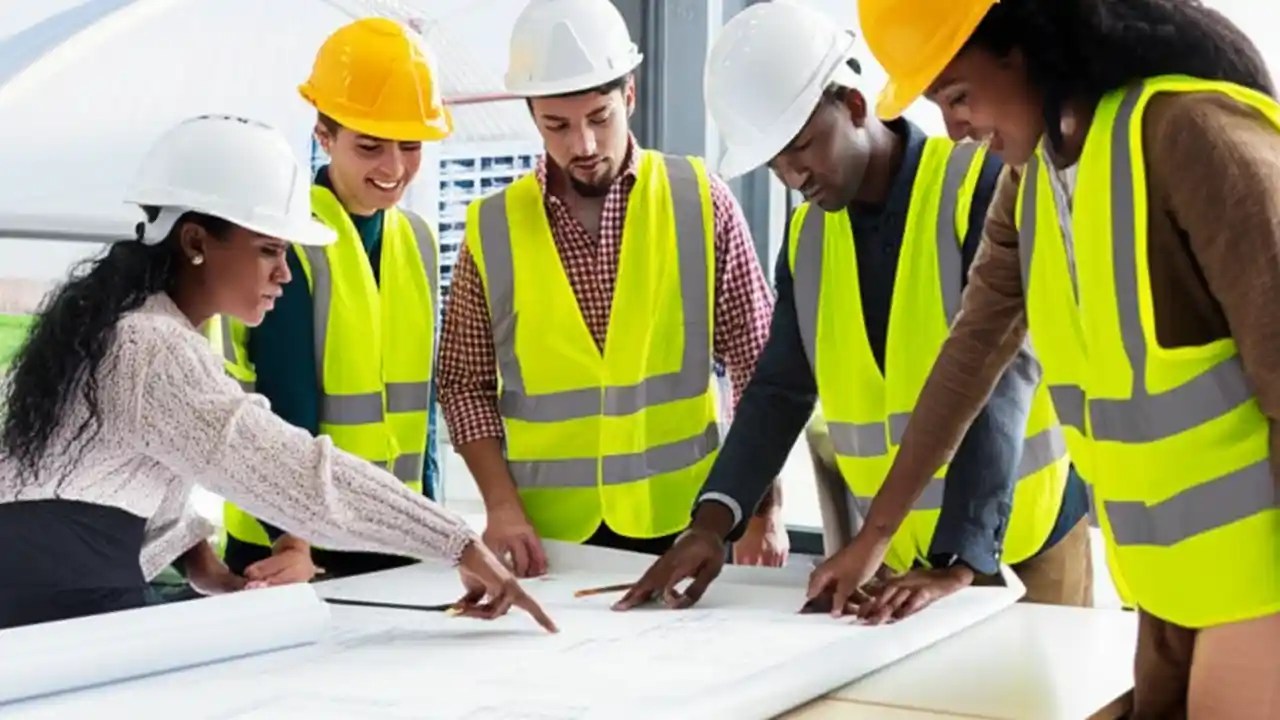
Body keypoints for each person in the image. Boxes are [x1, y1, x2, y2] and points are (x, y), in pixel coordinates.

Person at [815, 0, 1280, 716]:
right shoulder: (1033, 181)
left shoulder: (1187, 134)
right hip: (1164, 586)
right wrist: (874, 536)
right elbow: (971, 351)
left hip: (1259, 580)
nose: (954, 130)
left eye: (959, 96)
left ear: (1024, 47)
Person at [614, 0, 1091, 618]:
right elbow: (778, 391)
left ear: (856, 106)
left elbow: (1000, 372)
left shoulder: (979, 182)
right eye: (775, 162)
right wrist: (712, 523)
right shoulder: (809, 240)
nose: (793, 177)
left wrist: (956, 561)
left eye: (803, 147)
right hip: (900, 556)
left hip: (1022, 542)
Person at [0, 114, 554, 633]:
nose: (285, 274)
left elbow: (127, 475)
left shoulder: (129, 327)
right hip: (55, 615)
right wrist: (456, 540)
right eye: (269, 250)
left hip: (51, 606)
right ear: (195, 242)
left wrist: (204, 566)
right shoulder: (151, 347)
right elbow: (296, 474)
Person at [437, 0, 778, 577]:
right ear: (532, 115)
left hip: (689, 526)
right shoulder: (492, 228)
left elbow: (759, 368)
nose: (585, 145)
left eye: (600, 117)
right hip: (546, 540)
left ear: (631, 96)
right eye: (558, 126)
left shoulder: (701, 200)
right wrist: (501, 506)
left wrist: (763, 511)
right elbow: (462, 383)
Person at [210, 17, 450, 584]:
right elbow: (281, 407)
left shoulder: (416, 239)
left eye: (410, 146)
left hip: (392, 538)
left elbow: (424, 420)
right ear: (324, 136)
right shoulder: (290, 242)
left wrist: (436, 527)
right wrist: (293, 541)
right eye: (369, 147)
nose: (393, 168)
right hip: (295, 547)